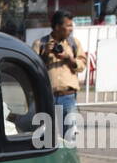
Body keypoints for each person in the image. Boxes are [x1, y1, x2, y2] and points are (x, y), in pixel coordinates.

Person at [32, 10, 86, 139]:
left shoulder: (74, 43)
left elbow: (82, 65)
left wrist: (69, 58)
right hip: (46, 97)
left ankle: (68, 158)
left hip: (68, 97)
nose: (71, 29)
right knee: (45, 136)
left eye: (71, 25)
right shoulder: (39, 44)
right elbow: (33, 68)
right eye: (68, 26)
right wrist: (45, 54)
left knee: (69, 135)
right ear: (57, 27)